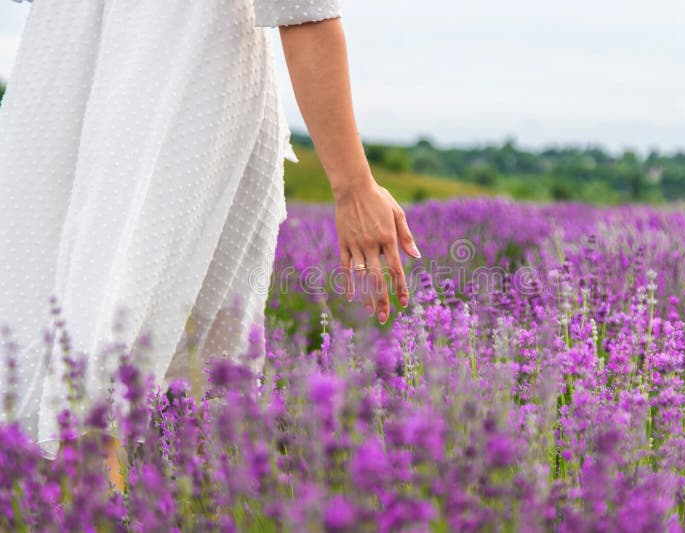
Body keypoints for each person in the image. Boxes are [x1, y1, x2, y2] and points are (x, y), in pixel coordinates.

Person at [0, 0, 421, 462]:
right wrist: (353, 187)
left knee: (81, 356)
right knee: (100, 362)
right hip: (170, 98)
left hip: (75, 94)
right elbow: (304, 12)